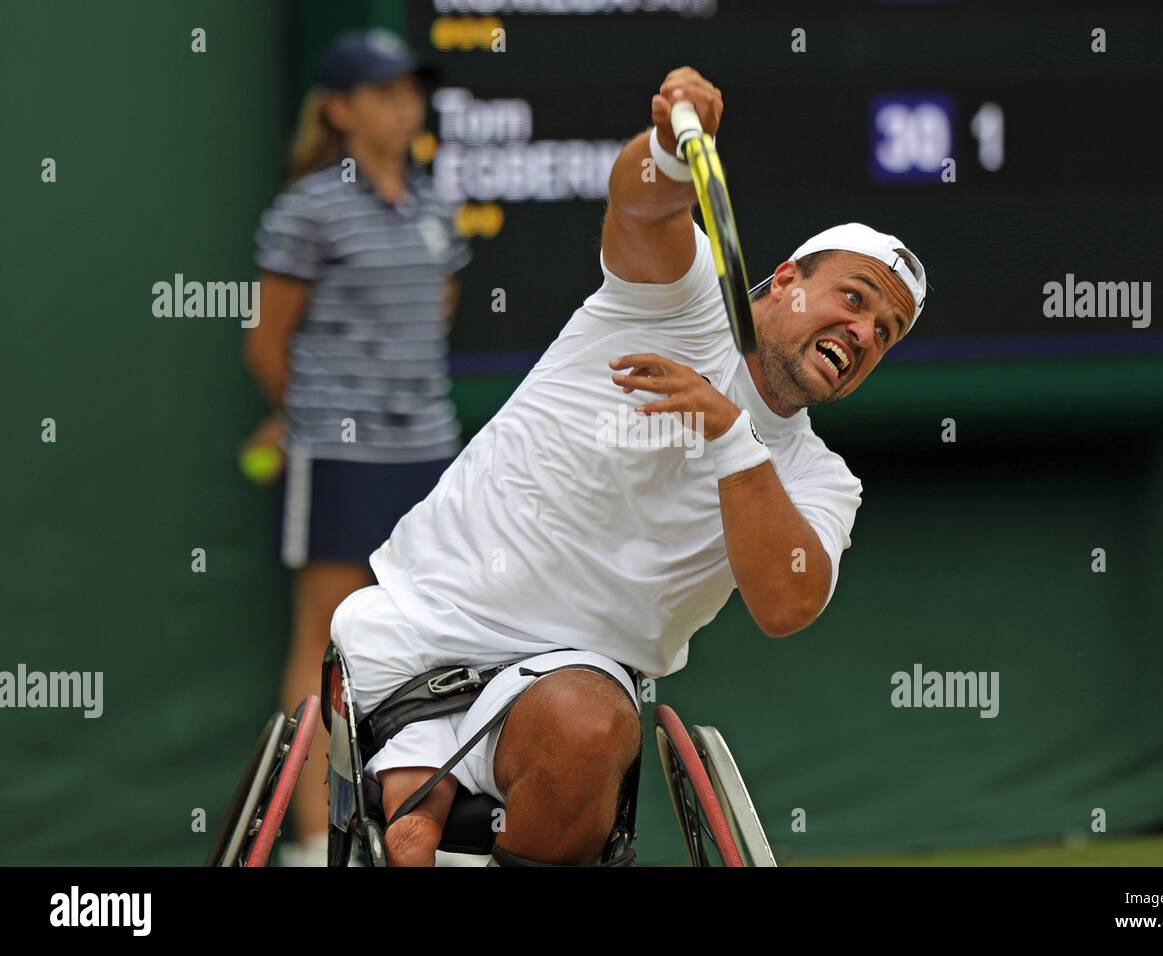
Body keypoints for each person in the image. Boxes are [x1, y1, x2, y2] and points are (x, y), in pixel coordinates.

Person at [329, 66, 926, 866]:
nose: (863, 332)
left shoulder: (821, 480)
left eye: (885, 332)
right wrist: (672, 154)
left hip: (564, 692)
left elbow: (787, 602)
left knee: (588, 726)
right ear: (785, 281)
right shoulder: (679, 300)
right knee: (409, 839)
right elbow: (641, 202)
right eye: (854, 299)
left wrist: (730, 437)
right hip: (414, 633)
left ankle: (430, 818)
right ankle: (418, 808)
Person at [241, 28, 471, 866]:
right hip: (339, 458)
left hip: (432, 456)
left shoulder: (436, 204)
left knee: (433, 643)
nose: (404, 105)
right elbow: (268, 345)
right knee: (324, 643)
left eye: (410, 89)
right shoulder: (308, 209)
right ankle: (310, 840)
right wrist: (310, 418)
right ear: (338, 110)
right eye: (382, 92)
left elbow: (431, 319)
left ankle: (420, 834)